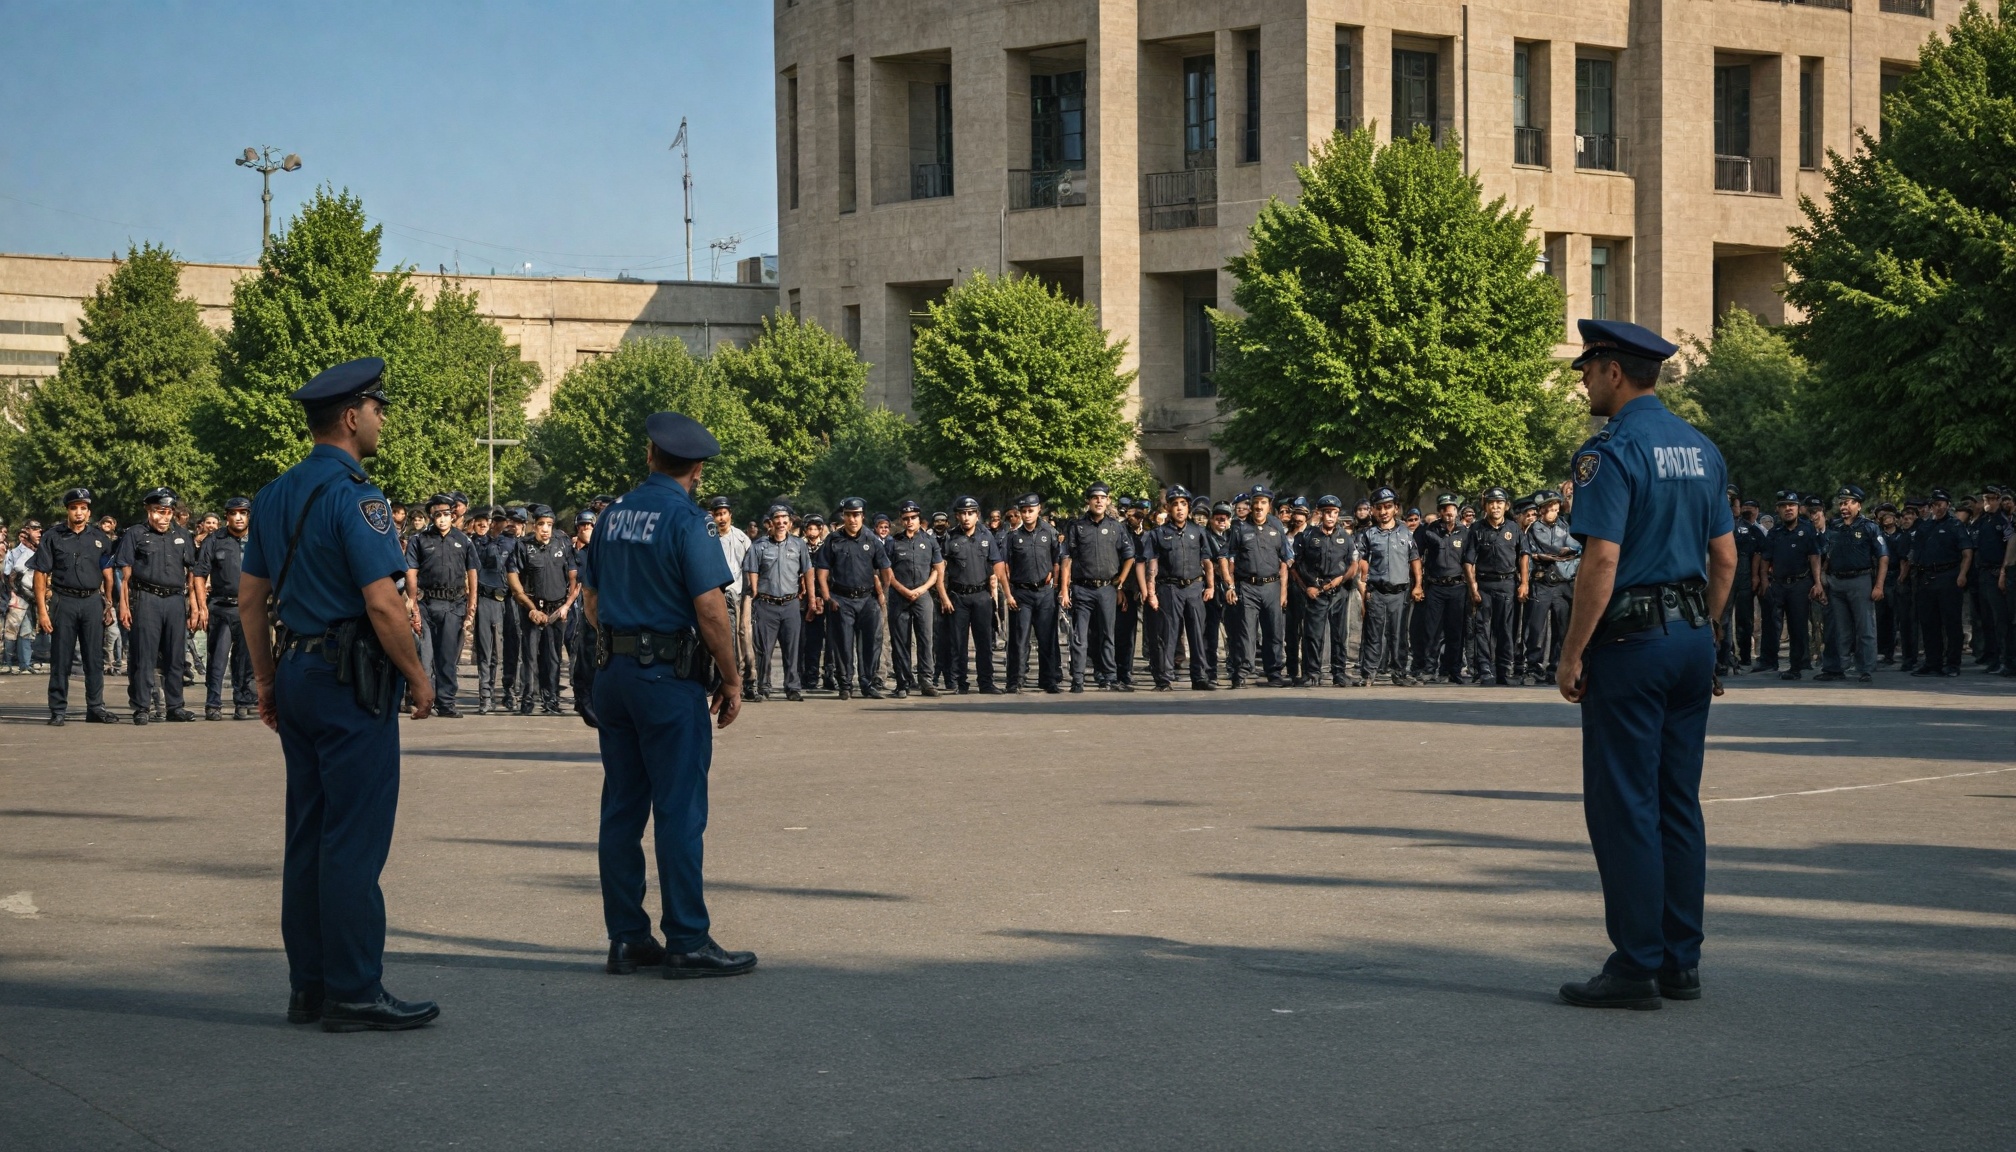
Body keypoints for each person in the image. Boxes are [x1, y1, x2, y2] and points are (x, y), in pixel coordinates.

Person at [236, 356, 439, 1032]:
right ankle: (354, 989)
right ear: (352, 418)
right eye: (379, 410)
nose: (382, 420)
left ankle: (311, 986)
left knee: (310, 833)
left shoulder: (271, 496)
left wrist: (266, 679)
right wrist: (416, 675)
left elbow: (250, 600)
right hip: (351, 682)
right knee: (353, 838)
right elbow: (383, 603)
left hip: (296, 672)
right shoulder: (359, 496)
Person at [1554, 319, 1735, 1011]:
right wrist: (1706, 631)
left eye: (1589, 369)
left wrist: (1573, 651)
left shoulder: (1613, 451)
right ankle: (1679, 962)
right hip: (1692, 640)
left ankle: (1636, 965)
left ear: (1615, 372)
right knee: (1676, 804)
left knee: (1625, 805)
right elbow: (1725, 559)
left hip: (1632, 645)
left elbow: (1602, 560)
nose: (1584, 382)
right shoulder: (1701, 447)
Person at [581, 410, 755, 981]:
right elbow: (709, 608)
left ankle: (628, 937)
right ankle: (687, 938)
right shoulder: (687, 520)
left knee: (622, 809)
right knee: (679, 810)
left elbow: (590, 601)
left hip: (616, 675)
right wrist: (731, 679)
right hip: (667, 680)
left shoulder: (611, 517)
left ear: (650, 456)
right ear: (698, 469)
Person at [30, 490, 118, 724]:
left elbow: (108, 573)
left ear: (89, 512)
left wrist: (108, 604)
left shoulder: (101, 538)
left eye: (83, 508)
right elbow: (40, 575)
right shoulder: (52, 537)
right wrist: (42, 610)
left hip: (92, 602)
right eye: (73, 508)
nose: (78, 512)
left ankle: (96, 707)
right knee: (61, 658)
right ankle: (58, 710)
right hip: (64, 601)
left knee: (94, 658)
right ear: (67, 510)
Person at [115, 487, 198, 724]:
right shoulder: (135, 534)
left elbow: (192, 573)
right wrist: (123, 605)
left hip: (174, 600)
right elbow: (125, 572)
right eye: (158, 512)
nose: (163, 518)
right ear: (148, 510)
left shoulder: (182, 535)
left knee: (176, 655)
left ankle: (175, 706)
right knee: (144, 655)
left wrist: (193, 605)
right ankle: (142, 706)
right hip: (146, 598)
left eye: (168, 512)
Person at [404, 495, 477, 718]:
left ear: (453, 515)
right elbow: (411, 573)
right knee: (425, 658)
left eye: (446, 514)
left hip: (453, 605)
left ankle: (446, 703)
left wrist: (471, 605)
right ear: (431, 516)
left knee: (446, 658)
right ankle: (423, 701)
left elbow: (472, 573)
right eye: (438, 515)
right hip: (426, 605)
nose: (442, 519)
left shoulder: (463, 541)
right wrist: (413, 603)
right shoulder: (419, 540)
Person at [1060, 483, 1135, 693]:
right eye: (1095, 497)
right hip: (1082, 589)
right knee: (1080, 637)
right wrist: (1065, 590)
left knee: (1107, 635)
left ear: (1108, 500)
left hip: (1106, 589)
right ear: (1088, 501)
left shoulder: (1116, 527)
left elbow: (1129, 556)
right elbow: (1067, 559)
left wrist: (1120, 580)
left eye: (1103, 497)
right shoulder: (1076, 527)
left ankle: (1109, 678)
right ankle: (1078, 679)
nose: (1099, 501)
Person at [813, 496, 890, 701]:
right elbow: (821, 571)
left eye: (856, 515)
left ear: (862, 516)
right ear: (843, 516)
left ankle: (867, 684)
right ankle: (845, 684)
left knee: (870, 644)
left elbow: (885, 569)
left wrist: (882, 593)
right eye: (848, 515)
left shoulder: (871, 539)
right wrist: (828, 597)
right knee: (843, 644)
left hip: (867, 599)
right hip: (841, 599)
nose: (852, 519)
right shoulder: (833, 539)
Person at [1141, 486, 1216, 691]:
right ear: (1168, 507)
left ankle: (1199, 677)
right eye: (1175, 504)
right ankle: (1164, 679)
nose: (1180, 509)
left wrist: (1210, 586)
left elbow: (1207, 561)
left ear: (1189, 508)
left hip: (1194, 587)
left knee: (1197, 634)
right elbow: (1152, 565)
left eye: (1183, 504)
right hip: (1169, 588)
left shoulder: (1198, 532)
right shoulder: (1158, 534)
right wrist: (1152, 593)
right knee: (1168, 635)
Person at [507, 506, 579, 714]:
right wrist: (531, 609)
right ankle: (527, 701)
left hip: (557, 611)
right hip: (532, 610)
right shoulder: (522, 546)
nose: (545, 529)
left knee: (554, 657)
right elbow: (514, 582)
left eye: (549, 525)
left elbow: (574, 578)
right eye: (541, 525)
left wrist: (566, 606)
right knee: (530, 657)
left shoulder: (563, 544)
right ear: (533, 525)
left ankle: (552, 700)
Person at [1222, 484, 1291, 688]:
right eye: (1255, 502)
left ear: (1270, 505)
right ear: (1250, 505)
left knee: (1274, 631)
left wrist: (1283, 591)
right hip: (1247, 587)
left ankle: (1274, 673)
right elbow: (1225, 557)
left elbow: (1286, 559)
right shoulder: (1239, 527)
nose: (1259, 507)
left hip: (1272, 586)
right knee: (1246, 633)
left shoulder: (1276, 526)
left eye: (1263, 502)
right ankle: (1242, 673)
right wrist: (1229, 586)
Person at [1816, 486, 1887, 683]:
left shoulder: (1869, 527)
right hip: (1836, 582)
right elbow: (1825, 555)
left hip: (1860, 581)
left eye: (1848, 502)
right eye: (1841, 503)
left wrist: (1879, 586)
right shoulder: (1834, 528)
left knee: (1864, 627)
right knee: (1838, 628)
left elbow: (1883, 557)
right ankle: (1836, 667)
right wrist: (1822, 579)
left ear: (1858, 505)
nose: (1843, 506)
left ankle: (1865, 669)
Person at [192, 497, 255, 719]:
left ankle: (242, 701)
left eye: (243, 513)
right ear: (226, 516)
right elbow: (199, 575)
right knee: (218, 657)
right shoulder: (215, 540)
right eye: (234, 513)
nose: (238, 517)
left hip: (250, 608)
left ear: (249, 515)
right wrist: (201, 607)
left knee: (245, 658)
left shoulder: (258, 540)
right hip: (221, 606)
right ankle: (213, 703)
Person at [745, 503, 813, 701]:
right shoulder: (759, 545)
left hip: (791, 603)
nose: (781, 523)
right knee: (764, 649)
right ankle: (764, 687)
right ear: (770, 523)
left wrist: (810, 597)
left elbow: (808, 570)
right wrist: (756, 592)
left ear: (790, 522)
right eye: (777, 520)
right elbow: (752, 569)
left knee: (792, 648)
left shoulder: (799, 545)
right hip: (766, 604)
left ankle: (792, 687)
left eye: (785, 520)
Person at [1902, 489, 1973, 678]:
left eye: (1941, 503)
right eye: (1935, 504)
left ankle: (1952, 663)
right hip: (1926, 578)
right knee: (1928, 622)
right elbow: (1914, 552)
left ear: (1948, 505)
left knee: (1951, 623)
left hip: (1948, 576)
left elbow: (1967, 553)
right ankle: (1932, 662)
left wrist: (1962, 574)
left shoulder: (1955, 525)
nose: (1938, 507)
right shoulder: (1925, 527)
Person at [999, 493, 1065, 693]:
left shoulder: (1049, 532)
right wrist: (1008, 594)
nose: (1027, 515)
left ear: (1039, 510)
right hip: (1022, 593)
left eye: (1031, 510)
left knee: (1047, 638)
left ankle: (1048, 680)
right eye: (1024, 511)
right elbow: (1005, 566)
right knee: (1019, 640)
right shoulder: (1012, 537)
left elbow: (1057, 560)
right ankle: (1015, 680)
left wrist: (1055, 583)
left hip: (1045, 592)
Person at [938, 496, 1003, 694]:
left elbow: (997, 563)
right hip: (958, 596)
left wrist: (998, 588)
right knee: (958, 643)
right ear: (957, 516)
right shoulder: (949, 538)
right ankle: (960, 683)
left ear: (977, 515)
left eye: (970, 513)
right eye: (962, 514)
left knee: (984, 642)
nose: (966, 517)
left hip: (982, 595)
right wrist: (943, 597)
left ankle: (986, 682)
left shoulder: (987, 536)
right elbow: (941, 569)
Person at [1357, 488, 1422, 686]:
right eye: (1379, 508)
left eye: (1388, 507)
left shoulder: (1406, 533)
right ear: (1373, 511)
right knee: (1373, 635)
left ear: (1396, 508)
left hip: (1400, 593)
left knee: (1399, 635)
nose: (1383, 511)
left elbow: (1415, 559)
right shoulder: (1368, 535)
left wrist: (1418, 585)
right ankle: (1369, 674)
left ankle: (1399, 673)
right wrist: (1364, 588)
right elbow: (1361, 561)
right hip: (1376, 592)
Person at [1757, 491, 1823, 679]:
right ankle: (1769, 661)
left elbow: (1814, 556)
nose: (1788, 509)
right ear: (1778, 509)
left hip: (1800, 584)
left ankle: (1797, 666)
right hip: (1777, 585)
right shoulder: (1774, 532)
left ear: (1798, 508)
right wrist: (1764, 582)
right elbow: (1765, 559)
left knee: (1798, 626)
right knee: (1771, 624)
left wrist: (1817, 583)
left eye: (1791, 505)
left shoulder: (1807, 529)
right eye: (1784, 506)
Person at [1292, 495, 1357, 686]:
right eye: (1327, 512)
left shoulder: (1345, 537)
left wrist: (1341, 579)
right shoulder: (1307, 536)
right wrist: (1307, 588)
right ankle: (1312, 673)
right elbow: (1296, 566)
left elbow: (1353, 564)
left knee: (1339, 635)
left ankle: (1339, 673)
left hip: (1339, 592)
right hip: (1316, 592)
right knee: (1313, 635)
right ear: (1319, 513)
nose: (1330, 516)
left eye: (1334, 513)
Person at [881, 498, 942, 699]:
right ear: (901, 519)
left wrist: (922, 589)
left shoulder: (929, 540)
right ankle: (903, 683)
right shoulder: (893, 542)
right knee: (901, 641)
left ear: (919, 518)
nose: (910, 521)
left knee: (925, 640)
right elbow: (887, 571)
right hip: (900, 596)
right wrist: (902, 590)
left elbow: (937, 569)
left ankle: (927, 681)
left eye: (914, 517)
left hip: (923, 595)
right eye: (906, 518)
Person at [1520, 490, 1580, 686]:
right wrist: (1525, 582)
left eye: (1556, 509)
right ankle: (1533, 668)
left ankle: (1555, 668)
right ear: (1542, 510)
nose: (1555, 512)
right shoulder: (1533, 529)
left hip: (1563, 583)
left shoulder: (1565, 525)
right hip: (1541, 583)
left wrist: (1559, 554)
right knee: (1536, 629)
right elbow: (1534, 554)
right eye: (1551, 509)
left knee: (1562, 629)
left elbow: (1575, 548)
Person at [1463, 487, 1521, 686]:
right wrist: (1473, 588)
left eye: (1499, 502)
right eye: (1491, 502)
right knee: (1482, 628)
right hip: (1484, 585)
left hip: (1508, 584)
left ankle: (1504, 670)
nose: (1495, 506)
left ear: (1506, 505)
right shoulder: (1476, 529)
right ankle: (1485, 669)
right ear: (1485, 506)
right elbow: (1468, 561)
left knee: (1505, 628)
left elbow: (1524, 555)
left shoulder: (1514, 528)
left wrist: (1525, 584)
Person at [1413, 494, 1467, 684]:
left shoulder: (1465, 532)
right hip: (1435, 586)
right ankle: (1429, 668)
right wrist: (1419, 584)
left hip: (1458, 587)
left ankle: (1452, 669)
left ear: (1456, 510)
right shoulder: (1429, 531)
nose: (1448, 512)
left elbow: (1470, 562)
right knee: (1432, 631)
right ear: (1439, 511)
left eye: (1451, 508)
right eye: (1444, 508)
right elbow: (1416, 556)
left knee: (1455, 632)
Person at [707, 497, 756, 694]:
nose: (721, 518)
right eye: (717, 514)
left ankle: (748, 679)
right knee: (713, 635)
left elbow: (750, 567)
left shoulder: (742, 539)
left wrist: (750, 592)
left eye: (724, 514)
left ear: (730, 515)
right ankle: (713, 679)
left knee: (743, 635)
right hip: (713, 594)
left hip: (738, 593)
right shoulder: (707, 538)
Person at [1729, 498, 1765, 671]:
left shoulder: (1754, 530)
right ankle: (1726, 655)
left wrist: (1755, 576)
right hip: (1726, 573)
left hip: (1745, 572)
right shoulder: (1722, 526)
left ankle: (1745, 656)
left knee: (1745, 618)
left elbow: (1759, 553)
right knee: (1723, 618)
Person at [5, 520, 43, 675]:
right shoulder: (18, 552)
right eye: (34, 529)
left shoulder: (36, 551)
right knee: (11, 630)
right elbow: (11, 572)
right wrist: (13, 591)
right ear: (26, 532)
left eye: (39, 529)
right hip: (19, 596)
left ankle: (25, 664)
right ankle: (8, 663)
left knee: (26, 631)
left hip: (30, 596)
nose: (39, 532)